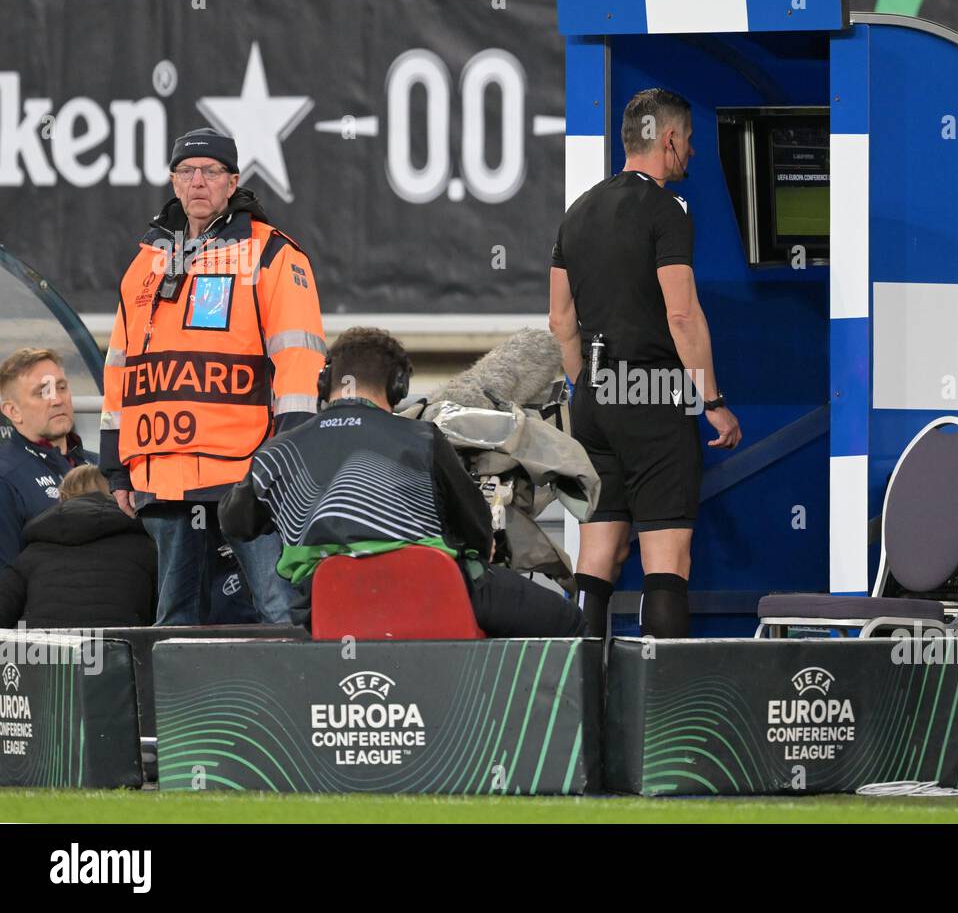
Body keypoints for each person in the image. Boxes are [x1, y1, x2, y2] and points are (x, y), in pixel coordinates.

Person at [98, 127, 326, 626]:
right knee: (174, 621)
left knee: (279, 611)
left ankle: (292, 703)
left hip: (246, 475)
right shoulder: (145, 263)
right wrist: (116, 463)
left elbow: (299, 361)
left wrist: (286, 457)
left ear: (233, 181)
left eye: (211, 171)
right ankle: (183, 710)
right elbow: (121, 366)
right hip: (163, 473)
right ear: (174, 182)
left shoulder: (272, 254)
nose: (198, 180)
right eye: (186, 171)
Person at [217, 327, 584, 637]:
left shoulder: (278, 452)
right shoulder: (423, 438)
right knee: (569, 621)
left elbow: (235, 522)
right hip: (432, 593)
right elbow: (478, 532)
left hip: (326, 607)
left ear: (324, 380)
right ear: (397, 386)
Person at [548, 88, 742, 640]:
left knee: (598, 557)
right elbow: (682, 316)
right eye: (692, 142)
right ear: (671, 140)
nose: (694, 154)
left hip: (594, 398)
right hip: (655, 397)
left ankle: (583, 700)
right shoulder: (668, 211)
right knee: (668, 562)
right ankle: (659, 714)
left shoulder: (578, 211)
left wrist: (587, 386)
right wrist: (713, 402)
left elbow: (560, 323)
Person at [0, 465, 155, 628]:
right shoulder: (148, 550)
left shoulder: (30, 555)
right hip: (117, 650)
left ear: (63, 496)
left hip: (38, 651)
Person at [0, 348, 95, 568]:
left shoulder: (105, 466)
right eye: (42, 392)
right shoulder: (5, 478)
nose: (57, 400)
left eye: (61, 388)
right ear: (12, 411)